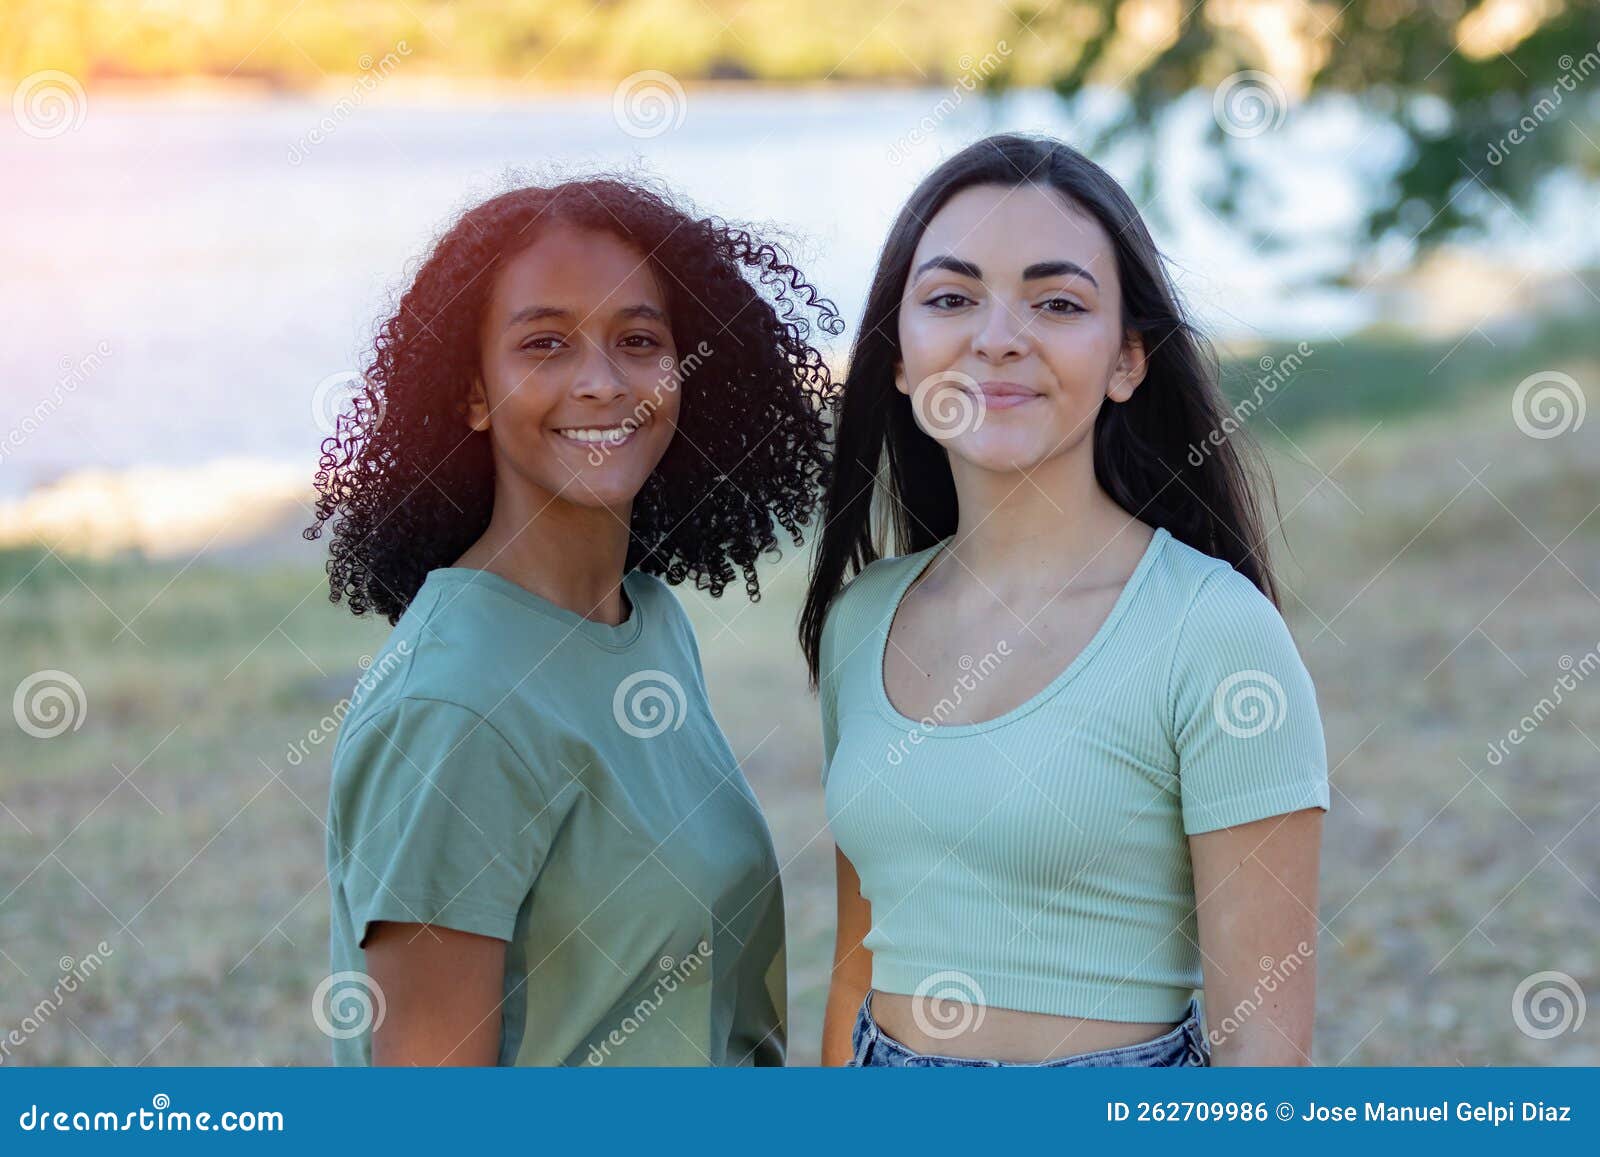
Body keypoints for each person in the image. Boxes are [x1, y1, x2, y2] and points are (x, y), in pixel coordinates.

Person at [801, 133, 1329, 1068]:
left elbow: (1266, 1055)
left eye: (1057, 302)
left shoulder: (1212, 633)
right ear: (897, 355)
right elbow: (857, 968)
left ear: (1128, 361)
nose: (999, 337)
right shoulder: (861, 622)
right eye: (951, 298)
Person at [310, 175, 840, 1065]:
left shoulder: (650, 623)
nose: (601, 382)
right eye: (545, 343)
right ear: (473, 392)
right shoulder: (453, 708)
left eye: (638, 340)